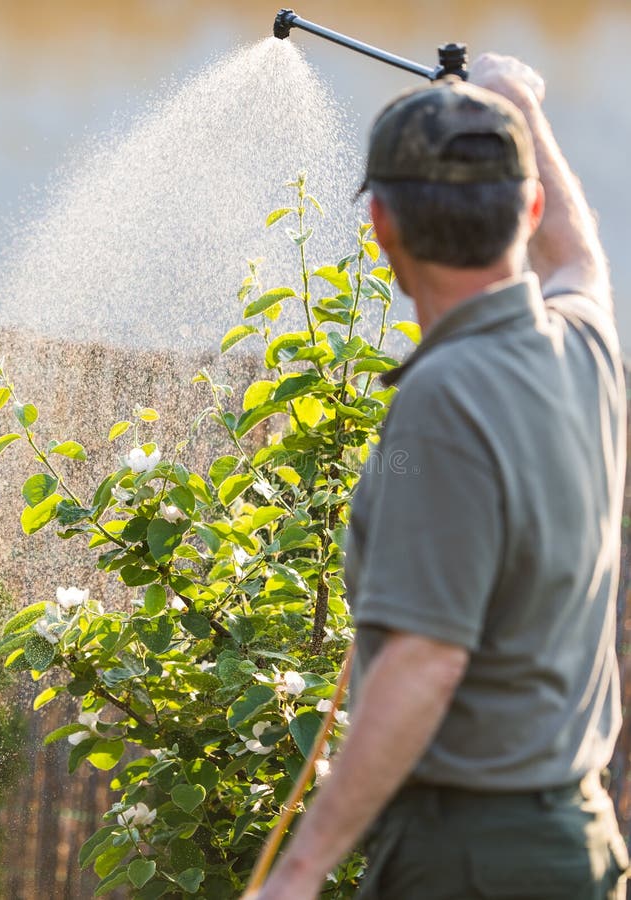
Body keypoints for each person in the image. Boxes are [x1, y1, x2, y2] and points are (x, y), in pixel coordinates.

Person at [246, 53, 628, 900]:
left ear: (381, 224)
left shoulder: (442, 403)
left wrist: (295, 876)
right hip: (574, 839)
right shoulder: (584, 350)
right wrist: (518, 102)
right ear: (526, 210)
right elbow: (581, 258)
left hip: (471, 862)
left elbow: (423, 665)